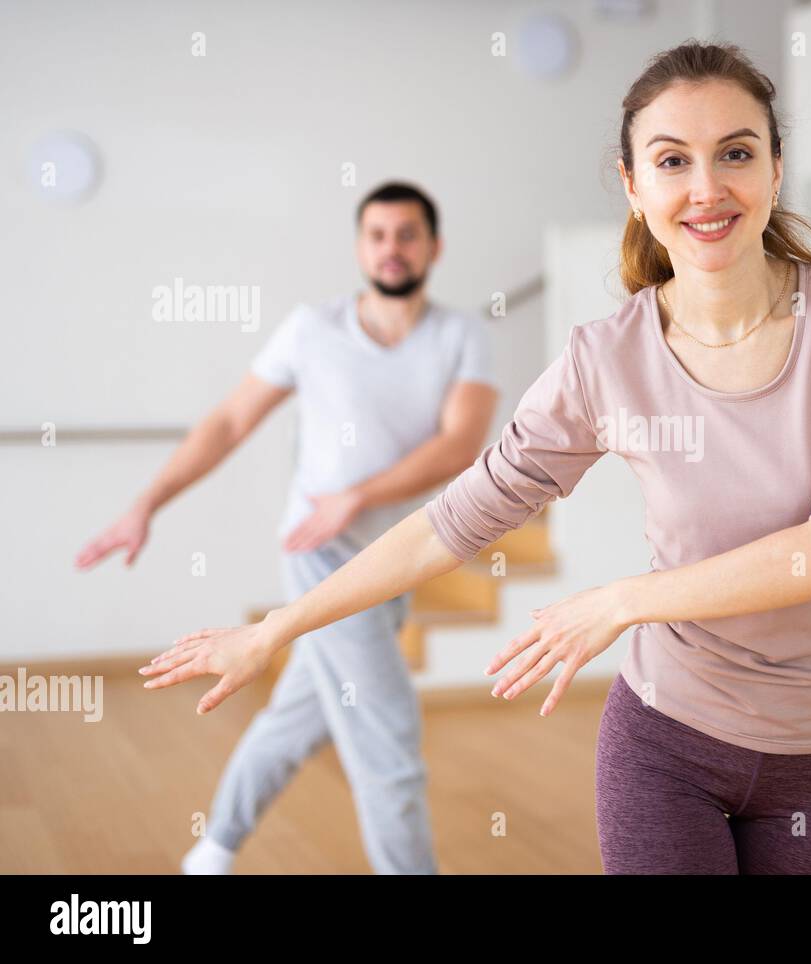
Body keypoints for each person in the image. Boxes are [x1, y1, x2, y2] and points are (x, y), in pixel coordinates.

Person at [139, 42, 811, 875]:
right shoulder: (606, 358)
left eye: (736, 152)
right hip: (669, 740)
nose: (706, 188)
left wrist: (624, 601)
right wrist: (280, 628)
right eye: (671, 161)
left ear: (774, 168)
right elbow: (456, 520)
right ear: (634, 186)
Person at [79, 181, 500, 874]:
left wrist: (357, 496)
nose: (391, 248)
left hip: (401, 561)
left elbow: (461, 445)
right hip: (320, 555)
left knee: (298, 714)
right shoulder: (313, 328)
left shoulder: (461, 335)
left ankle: (211, 852)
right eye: (377, 234)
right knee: (388, 738)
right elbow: (227, 423)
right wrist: (145, 504)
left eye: (407, 234)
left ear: (434, 246)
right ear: (361, 246)